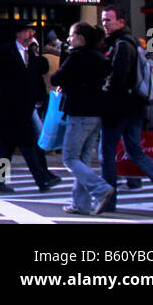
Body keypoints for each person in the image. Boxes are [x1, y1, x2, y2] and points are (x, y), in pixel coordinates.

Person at [98, 7, 153, 215]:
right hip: (135, 107)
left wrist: (105, 98)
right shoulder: (133, 44)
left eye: (109, 20)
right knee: (136, 152)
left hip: (120, 108)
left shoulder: (121, 45)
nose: (105, 24)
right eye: (103, 20)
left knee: (107, 154)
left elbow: (118, 80)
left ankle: (109, 200)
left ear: (121, 21)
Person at [0, 22, 62, 193]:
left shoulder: (32, 55)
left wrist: (35, 54)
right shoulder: (4, 52)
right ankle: (40, 179)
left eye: (32, 32)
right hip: (9, 109)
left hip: (26, 108)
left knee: (14, 146)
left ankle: (2, 180)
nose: (30, 35)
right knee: (17, 146)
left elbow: (41, 71)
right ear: (18, 34)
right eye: (27, 32)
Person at [50, 22, 115, 215]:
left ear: (81, 38)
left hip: (80, 112)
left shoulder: (77, 56)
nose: (69, 39)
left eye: (72, 35)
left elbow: (56, 78)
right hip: (97, 114)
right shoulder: (99, 57)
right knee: (83, 159)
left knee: (70, 158)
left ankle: (101, 189)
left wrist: (67, 80)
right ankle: (81, 203)